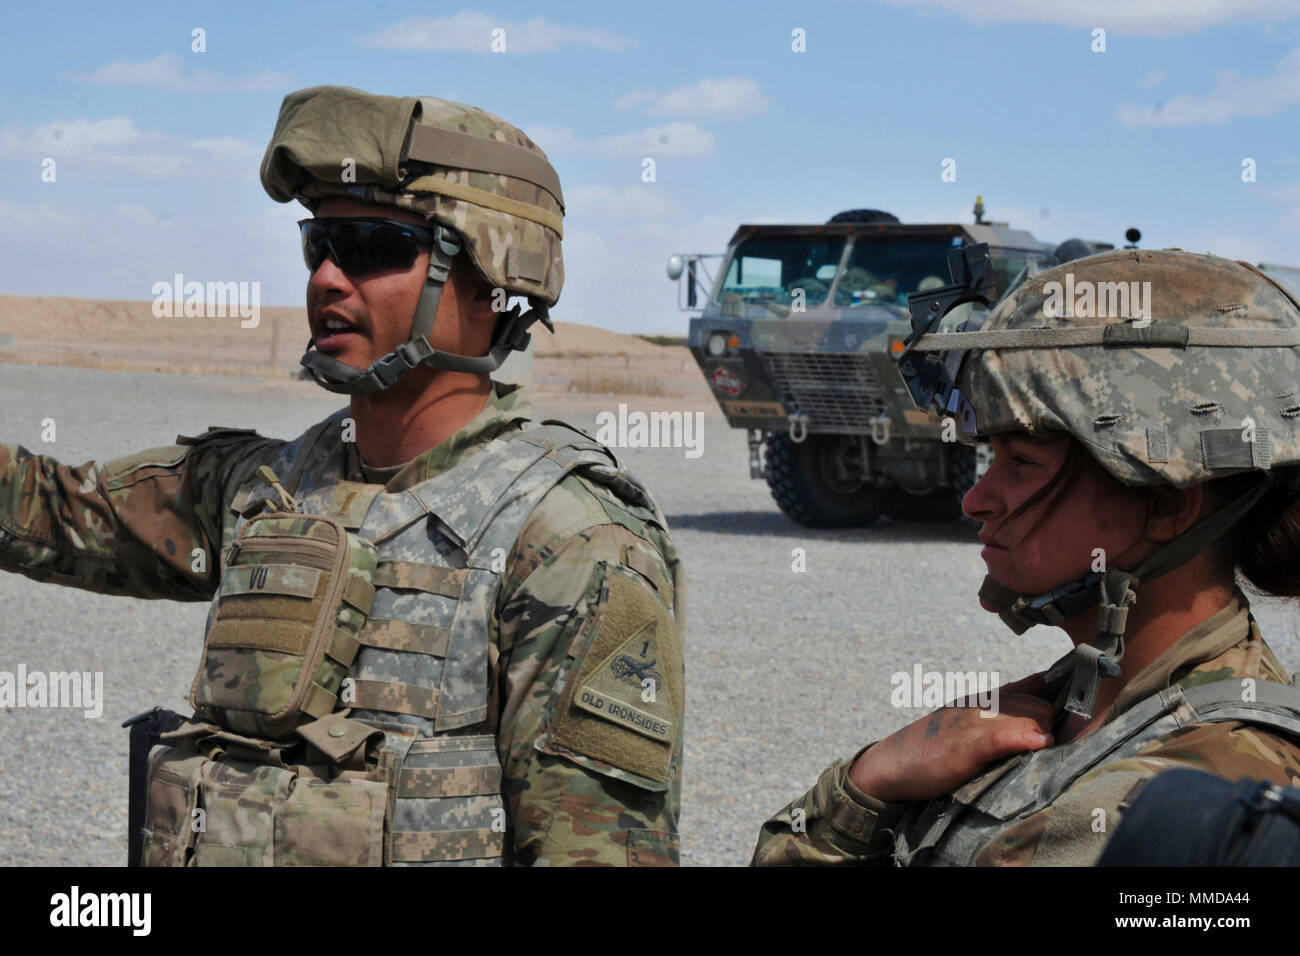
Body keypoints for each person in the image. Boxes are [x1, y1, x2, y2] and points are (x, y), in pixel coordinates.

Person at [0, 85, 684, 866]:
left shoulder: (573, 543)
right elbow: (48, 509)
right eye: (316, 245)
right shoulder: (267, 488)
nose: (326, 279)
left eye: (368, 248)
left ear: (494, 279)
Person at [751, 246, 1300, 866]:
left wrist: (863, 790)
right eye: (992, 458)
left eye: (1024, 463)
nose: (979, 499)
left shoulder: (1162, 807)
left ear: (1168, 503)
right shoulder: (1097, 696)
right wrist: (876, 778)